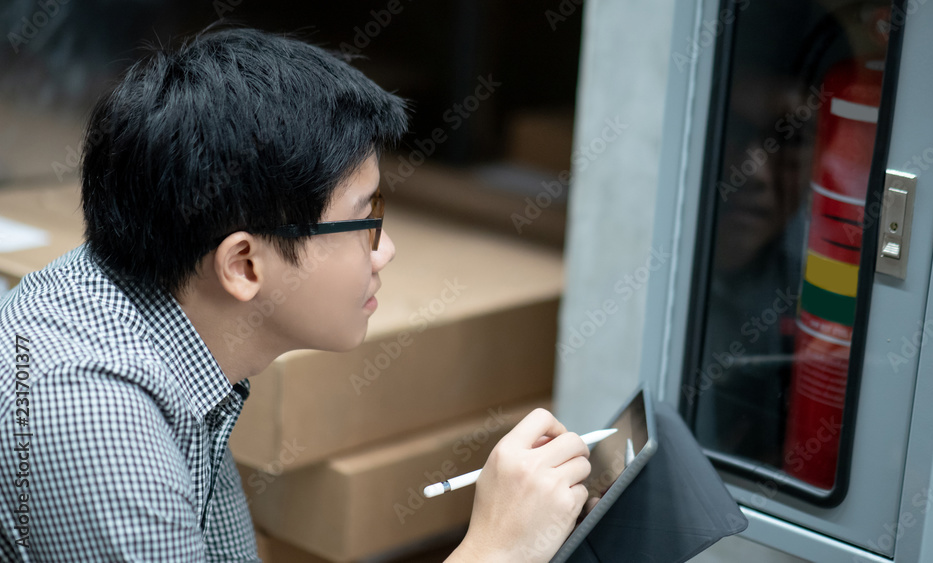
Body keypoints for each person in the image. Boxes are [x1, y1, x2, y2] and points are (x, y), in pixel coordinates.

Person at [0, 28, 591, 562]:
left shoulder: (159, 327)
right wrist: (499, 549)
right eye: (365, 220)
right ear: (243, 264)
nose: (385, 251)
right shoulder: (99, 428)